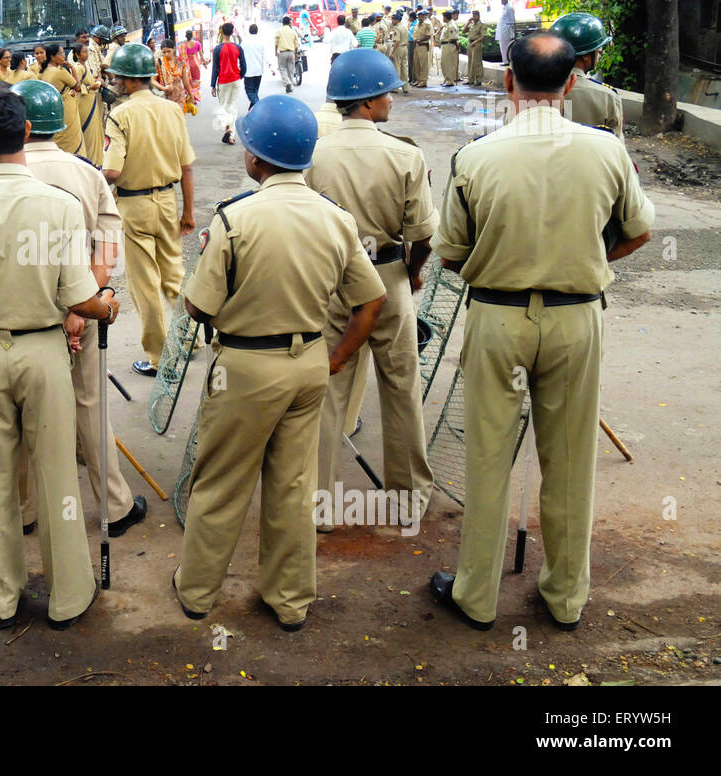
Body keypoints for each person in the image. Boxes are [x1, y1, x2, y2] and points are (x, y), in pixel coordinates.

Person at [429, 32, 654, 631]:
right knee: (571, 460)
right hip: (576, 318)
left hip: (497, 317)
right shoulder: (606, 152)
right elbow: (639, 231)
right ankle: (564, 597)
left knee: (487, 457)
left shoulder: (476, 156)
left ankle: (475, 597)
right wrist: (589, 262)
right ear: (572, 82)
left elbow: (450, 253)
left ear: (508, 81)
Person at [173, 95, 387, 629]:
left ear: (254, 157)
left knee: (221, 482)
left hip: (244, 367)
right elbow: (371, 300)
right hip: (308, 362)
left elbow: (200, 306)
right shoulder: (336, 219)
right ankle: (290, 600)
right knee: (293, 486)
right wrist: (337, 357)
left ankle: (198, 592)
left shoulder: (235, 219)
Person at [0, 86, 121, 630]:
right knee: (57, 473)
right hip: (44, 353)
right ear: (27, 134)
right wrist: (107, 307)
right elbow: (80, 298)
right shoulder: (59, 205)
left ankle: (2, 598)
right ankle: (68, 596)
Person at [308, 50, 440, 526]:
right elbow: (422, 235)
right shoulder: (404, 154)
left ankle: (317, 504)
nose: (391, 100)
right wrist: (415, 269)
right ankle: (408, 500)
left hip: (330, 280)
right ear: (365, 101)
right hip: (388, 275)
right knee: (401, 386)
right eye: (386, 93)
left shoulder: (313, 154)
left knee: (327, 387)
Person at [10, 79, 147, 537]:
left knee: (19, 412)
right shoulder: (87, 174)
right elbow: (106, 248)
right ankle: (114, 505)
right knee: (90, 405)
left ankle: (26, 510)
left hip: (16, 320)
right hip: (81, 308)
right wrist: (81, 308)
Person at [103, 42, 197, 377]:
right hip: (168, 201)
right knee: (174, 271)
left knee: (145, 284)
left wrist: (94, 182)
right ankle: (190, 340)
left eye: (119, 77)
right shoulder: (172, 109)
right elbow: (186, 166)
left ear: (129, 81)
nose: (116, 82)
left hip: (134, 205)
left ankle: (159, 357)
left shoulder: (120, 115)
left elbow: (112, 172)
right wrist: (188, 211)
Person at [551, 12, 623, 140]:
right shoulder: (607, 96)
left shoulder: (531, 90)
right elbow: (617, 148)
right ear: (585, 56)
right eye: (598, 51)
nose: (600, 55)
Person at [35, 42, 84, 156]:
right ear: (52, 57)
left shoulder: (44, 71)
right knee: (72, 143)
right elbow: (77, 86)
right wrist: (72, 68)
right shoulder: (59, 72)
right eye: (61, 53)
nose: (64, 56)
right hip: (66, 111)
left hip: (54, 112)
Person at [210, 22, 246, 145]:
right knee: (233, 107)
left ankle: (227, 128)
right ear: (232, 32)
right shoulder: (238, 48)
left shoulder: (218, 49)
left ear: (221, 32)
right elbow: (244, 66)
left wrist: (212, 85)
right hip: (235, 80)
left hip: (223, 81)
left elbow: (215, 68)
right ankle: (231, 136)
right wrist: (239, 76)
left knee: (224, 106)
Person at [71, 43, 106, 166]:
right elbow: (77, 87)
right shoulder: (78, 68)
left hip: (91, 102)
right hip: (84, 104)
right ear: (77, 54)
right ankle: (93, 162)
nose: (86, 54)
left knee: (96, 132)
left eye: (87, 52)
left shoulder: (84, 67)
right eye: (84, 52)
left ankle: (98, 160)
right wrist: (92, 86)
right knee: (89, 134)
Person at [154, 38, 190, 110]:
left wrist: (191, 94)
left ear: (173, 49)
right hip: (166, 98)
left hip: (179, 97)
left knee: (179, 119)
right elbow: (153, 80)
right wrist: (163, 88)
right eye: (164, 52)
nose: (166, 54)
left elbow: (185, 82)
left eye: (168, 51)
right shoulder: (159, 62)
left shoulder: (180, 63)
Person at [274, 16, 300, 93]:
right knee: (291, 70)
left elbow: (276, 42)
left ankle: (287, 83)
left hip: (282, 53)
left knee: (282, 68)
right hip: (291, 52)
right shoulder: (293, 31)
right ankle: (290, 85)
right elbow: (296, 44)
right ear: (289, 23)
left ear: (282, 23)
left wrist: (275, 51)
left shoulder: (279, 31)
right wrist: (296, 54)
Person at [180, 30, 208, 100]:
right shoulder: (197, 43)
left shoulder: (183, 45)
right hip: (196, 64)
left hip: (187, 66)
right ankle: (196, 97)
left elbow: (182, 57)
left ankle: (190, 97)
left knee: (188, 81)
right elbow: (201, 56)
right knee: (196, 81)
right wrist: (204, 64)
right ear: (192, 35)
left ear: (186, 36)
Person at [242, 24, 265, 107]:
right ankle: (253, 110)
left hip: (248, 71)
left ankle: (258, 105)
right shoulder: (261, 42)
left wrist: (239, 67)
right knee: (254, 91)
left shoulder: (244, 42)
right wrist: (271, 67)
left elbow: (240, 56)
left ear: (249, 31)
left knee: (250, 91)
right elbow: (265, 55)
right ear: (257, 31)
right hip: (259, 70)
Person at [464, 10, 487, 86]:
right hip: (470, 43)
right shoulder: (472, 24)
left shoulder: (482, 24)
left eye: (475, 15)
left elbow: (483, 36)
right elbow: (464, 31)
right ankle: (470, 79)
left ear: (478, 16)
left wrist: (476, 42)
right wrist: (468, 22)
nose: (473, 17)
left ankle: (478, 79)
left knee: (477, 62)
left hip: (477, 44)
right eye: (473, 15)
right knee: (470, 62)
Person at [389, 12, 411, 94]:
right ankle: (405, 87)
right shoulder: (404, 27)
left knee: (397, 67)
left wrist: (392, 52)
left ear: (396, 20)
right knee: (404, 68)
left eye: (393, 19)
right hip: (405, 47)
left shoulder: (397, 28)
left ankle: (395, 88)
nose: (392, 21)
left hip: (398, 48)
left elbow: (397, 41)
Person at [412, 11, 432, 87]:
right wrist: (414, 39)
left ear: (424, 17)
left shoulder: (427, 25)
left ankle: (423, 80)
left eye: (422, 16)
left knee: (423, 64)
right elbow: (414, 34)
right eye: (419, 16)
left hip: (423, 45)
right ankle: (418, 80)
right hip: (417, 45)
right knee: (416, 63)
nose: (420, 18)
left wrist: (420, 40)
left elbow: (428, 36)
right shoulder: (416, 25)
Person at [495, 0, 516, 65]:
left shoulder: (509, 8)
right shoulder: (504, 9)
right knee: (502, 46)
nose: (501, 1)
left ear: (505, 0)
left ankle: (508, 60)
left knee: (507, 46)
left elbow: (512, 20)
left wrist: (512, 31)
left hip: (506, 30)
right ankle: (505, 60)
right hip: (502, 30)